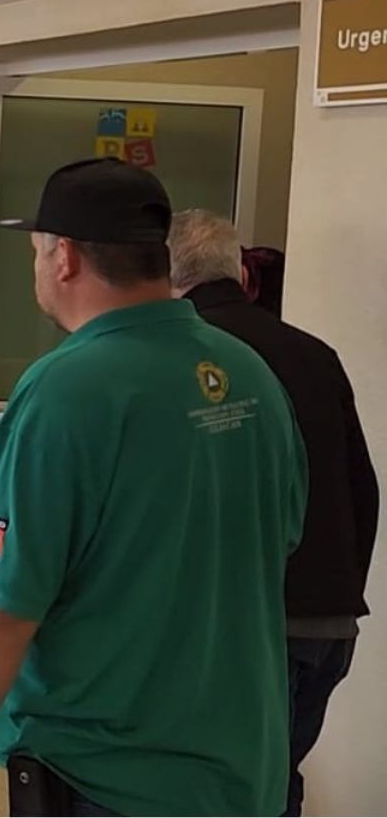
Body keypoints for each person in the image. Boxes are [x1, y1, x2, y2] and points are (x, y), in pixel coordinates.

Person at [0, 159, 306, 818]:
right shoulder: (247, 372)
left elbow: (5, 605)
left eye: (37, 251)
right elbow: (286, 531)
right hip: (242, 767)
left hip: (107, 772)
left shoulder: (65, 389)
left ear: (65, 258)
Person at [168, 209, 377, 817]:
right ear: (240, 272)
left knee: (215, 793)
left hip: (236, 628)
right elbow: (362, 488)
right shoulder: (316, 354)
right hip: (326, 623)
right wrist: (338, 593)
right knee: (276, 782)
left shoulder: (177, 359)